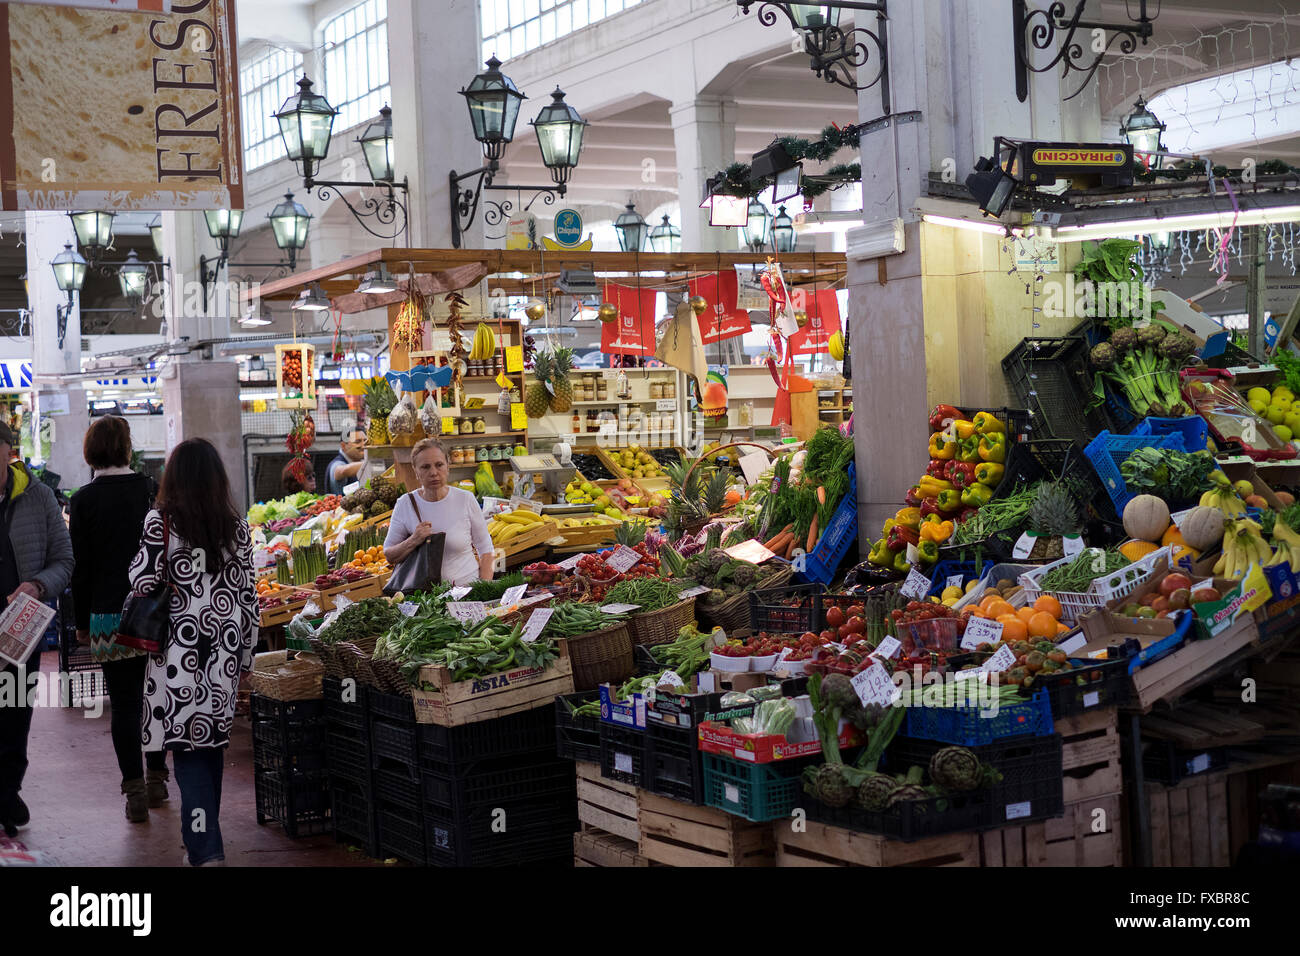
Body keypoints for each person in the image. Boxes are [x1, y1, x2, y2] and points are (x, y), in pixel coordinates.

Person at [127, 438, 257, 866]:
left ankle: (205, 851)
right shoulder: (235, 526)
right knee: (209, 748)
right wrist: (246, 658)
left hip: (178, 655)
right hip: (222, 650)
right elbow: (248, 596)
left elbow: (143, 583)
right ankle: (205, 843)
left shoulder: (159, 521)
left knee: (188, 752)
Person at [69, 415, 167, 824]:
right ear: (127, 448)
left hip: (107, 616)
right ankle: (159, 777)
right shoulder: (150, 490)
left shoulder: (83, 500)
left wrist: (81, 621)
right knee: (157, 696)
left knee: (124, 705)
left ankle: (135, 792)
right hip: (154, 612)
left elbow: (81, 569)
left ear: (92, 450)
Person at [0, 421, 74, 838]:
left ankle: (8, 791)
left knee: (14, 717)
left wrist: (37, 584)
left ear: (9, 455)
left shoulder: (39, 497)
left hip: (19, 629)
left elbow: (64, 560)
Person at [384, 438, 494, 586]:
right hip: (425, 599)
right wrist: (414, 540)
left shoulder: (465, 499)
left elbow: (486, 548)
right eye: (425, 467)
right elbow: (390, 555)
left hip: (468, 592)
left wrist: (485, 587)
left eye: (439, 465)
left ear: (448, 466)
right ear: (415, 471)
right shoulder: (405, 504)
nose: (434, 472)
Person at [326, 424, 367, 495]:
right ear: (343, 446)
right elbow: (342, 471)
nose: (363, 445)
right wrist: (371, 462)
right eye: (357, 442)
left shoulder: (359, 461)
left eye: (365, 441)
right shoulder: (337, 463)